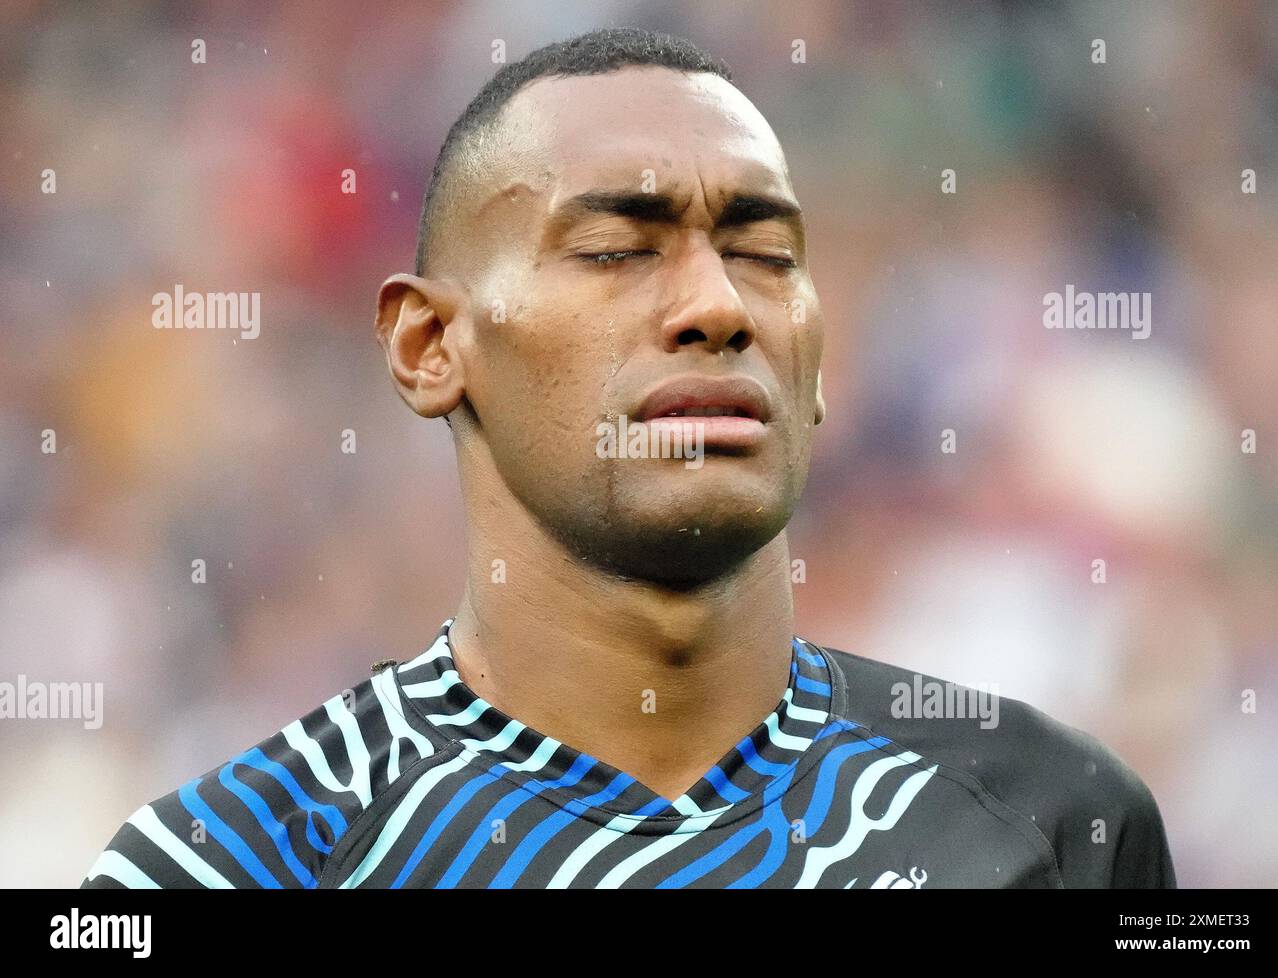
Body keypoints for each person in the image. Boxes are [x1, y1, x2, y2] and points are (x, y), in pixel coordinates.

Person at [82, 27, 1175, 889]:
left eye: (764, 255)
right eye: (614, 251)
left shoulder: (1055, 821)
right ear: (429, 346)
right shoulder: (238, 863)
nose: (716, 304)